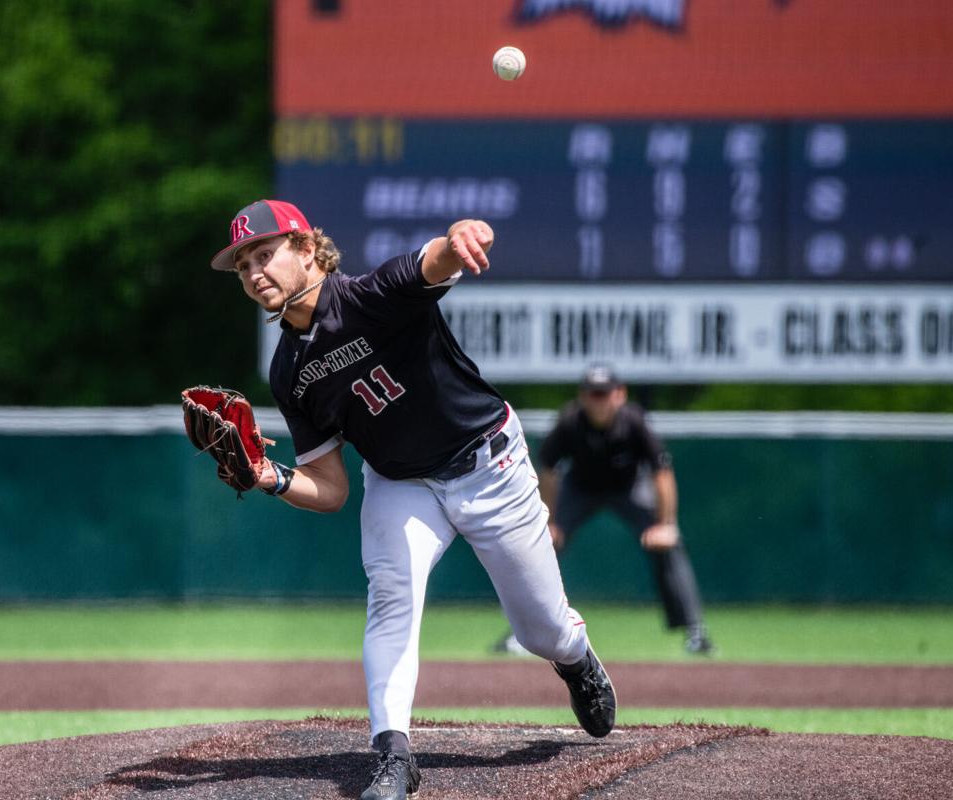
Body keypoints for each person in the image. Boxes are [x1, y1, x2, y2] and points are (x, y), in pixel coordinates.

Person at [209, 199, 616, 800]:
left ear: (305, 248)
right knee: (391, 598)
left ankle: (576, 658)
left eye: (264, 255)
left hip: (488, 464)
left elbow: (432, 262)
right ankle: (394, 753)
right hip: (401, 483)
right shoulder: (288, 370)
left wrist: (458, 236)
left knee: (541, 631)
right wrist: (270, 476)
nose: (254, 274)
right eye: (243, 266)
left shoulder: (373, 294)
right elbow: (330, 490)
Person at [498, 364, 713, 657]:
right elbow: (548, 472)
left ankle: (695, 631)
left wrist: (666, 523)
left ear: (619, 394)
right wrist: (548, 521)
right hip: (580, 489)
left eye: (604, 393)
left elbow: (661, 473)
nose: (598, 400)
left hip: (629, 488)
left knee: (669, 544)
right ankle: (523, 632)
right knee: (541, 544)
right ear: (582, 396)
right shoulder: (570, 421)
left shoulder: (634, 421)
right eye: (592, 393)